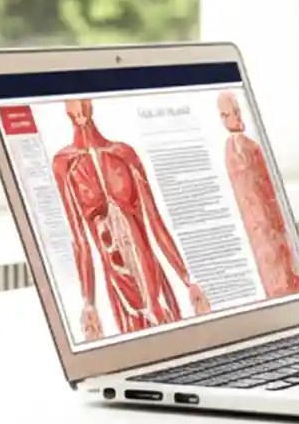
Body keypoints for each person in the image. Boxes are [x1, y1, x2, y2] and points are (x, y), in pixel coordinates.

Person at [51, 99, 211, 341]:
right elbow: (80, 240)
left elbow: (155, 222)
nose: (80, 112)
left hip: (153, 278)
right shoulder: (65, 164)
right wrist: (88, 303)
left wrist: (189, 280)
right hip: (119, 287)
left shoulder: (124, 153)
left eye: (83, 104)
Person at [218, 90, 299, 298]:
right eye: (229, 114)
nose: (236, 118)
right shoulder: (235, 148)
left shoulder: (250, 146)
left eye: (237, 111)